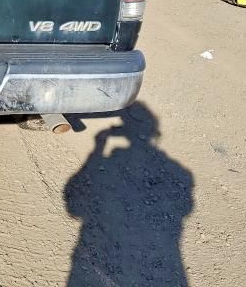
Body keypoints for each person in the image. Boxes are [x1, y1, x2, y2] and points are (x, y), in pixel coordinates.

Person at [64, 102, 194, 286]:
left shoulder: (114, 160)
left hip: (96, 263)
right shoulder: (179, 172)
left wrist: (98, 148)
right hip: (162, 264)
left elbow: (73, 205)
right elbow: (186, 208)